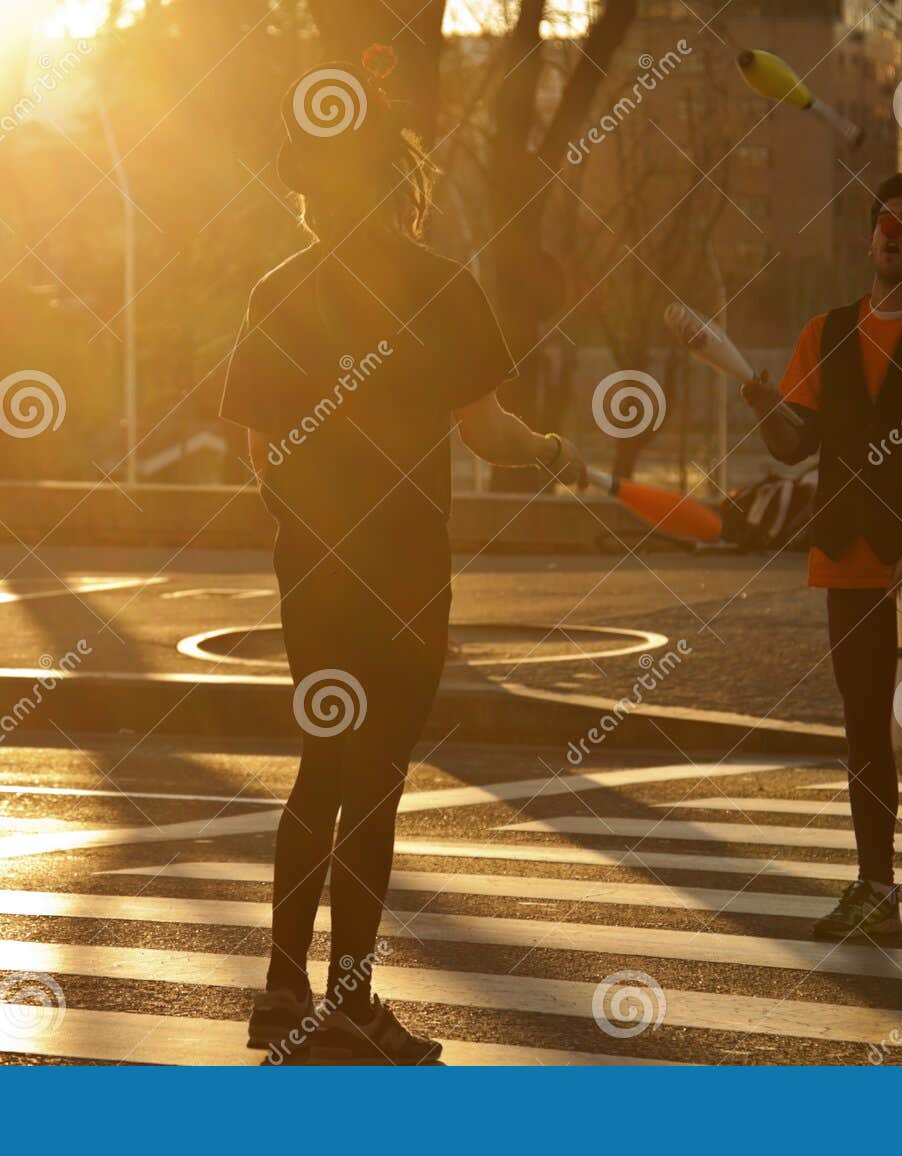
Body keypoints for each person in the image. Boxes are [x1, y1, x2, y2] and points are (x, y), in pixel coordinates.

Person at [221, 57, 587, 1064]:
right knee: (375, 779)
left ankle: (282, 989)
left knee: (319, 767)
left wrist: (306, 528)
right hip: (406, 573)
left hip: (311, 572)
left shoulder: (277, 288)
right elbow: (483, 428)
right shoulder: (439, 284)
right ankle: (350, 1002)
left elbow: (260, 449)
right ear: (398, 183)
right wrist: (548, 451)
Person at [740, 173, 902, 952]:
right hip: (846, 552)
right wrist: (762, 403)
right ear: (870, 238)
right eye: (882, 220)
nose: (892, 230)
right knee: (863, 730)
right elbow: (795, 445)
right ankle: (877, 888)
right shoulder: (824, 334)